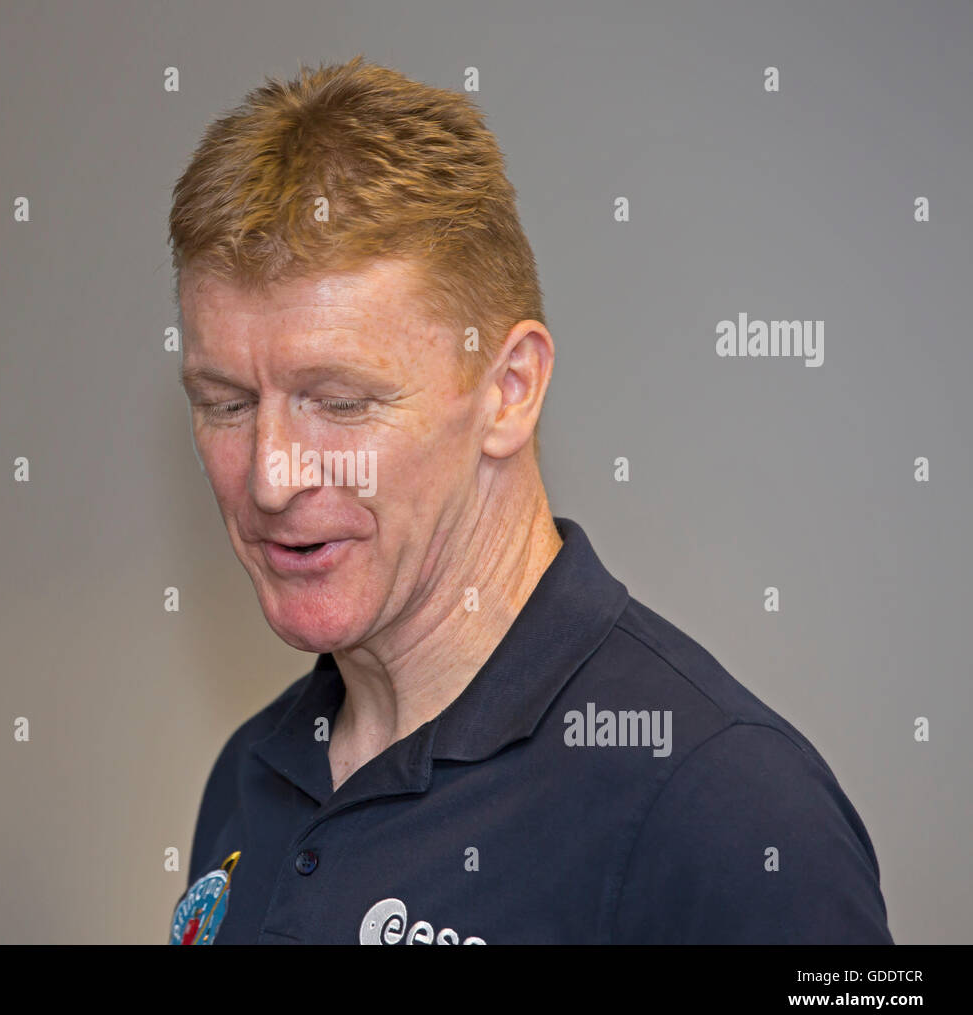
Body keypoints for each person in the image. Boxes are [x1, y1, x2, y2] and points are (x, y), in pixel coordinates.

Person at [165, 56, 892, 945]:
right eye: (227, 404)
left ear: (509, 390)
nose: (272, 477)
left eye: (342, 402)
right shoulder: (252, 775)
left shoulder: (725, 806)